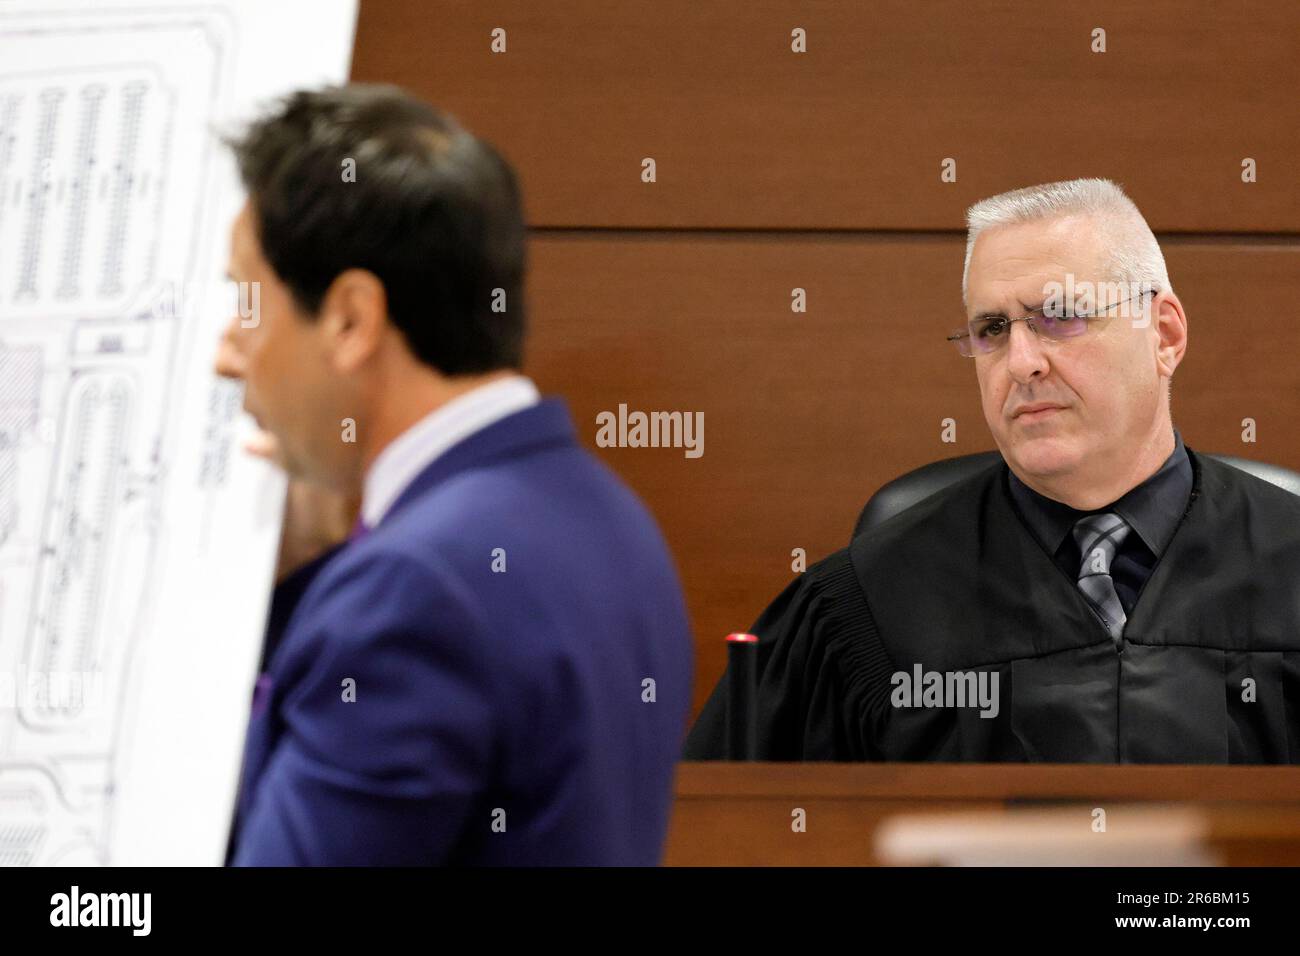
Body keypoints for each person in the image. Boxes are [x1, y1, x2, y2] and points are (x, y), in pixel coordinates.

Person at [218, 84, 693, 864]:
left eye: (247, 300)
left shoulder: (410, 592)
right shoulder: (613, 517)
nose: (226, 350)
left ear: (350, 319)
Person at [685, 178, 1300, 764]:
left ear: (1164, 334)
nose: (1021, 362)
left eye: (1059, 316)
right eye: (993, 329)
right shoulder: (867, 601)